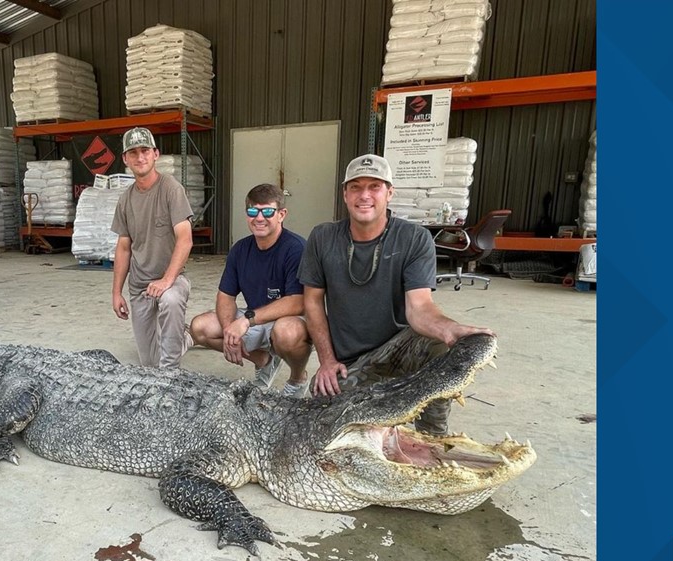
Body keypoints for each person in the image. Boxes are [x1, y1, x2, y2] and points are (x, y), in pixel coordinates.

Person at [298, 154, 493, 434]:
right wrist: (327, 361)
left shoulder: (414, 238)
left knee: (437, 346)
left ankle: (431, 437)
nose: (364, 195)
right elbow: (313, 302)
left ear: (389, 193)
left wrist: (449, 330)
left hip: (400, 349)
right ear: (344, 194)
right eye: (356, 187)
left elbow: (420, 307)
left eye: (374, 186)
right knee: (322, 409)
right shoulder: (323, 237)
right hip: (354, 361)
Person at [188, 184, 312, 396]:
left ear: (282, 214)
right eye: (253, 211)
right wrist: (230, 330)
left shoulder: (296, 248)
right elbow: (225, 295)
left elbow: (297, 301)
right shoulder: (240, 249)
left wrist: (246, 321)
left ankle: (298, 378)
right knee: (200, 327)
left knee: (287, 334)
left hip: (289, 320)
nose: (259, 218)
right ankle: (263, 360)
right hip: (254, 317)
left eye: (268, 212)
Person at [110, 127, 195, 368]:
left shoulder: (171, 190)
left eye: (145, 150)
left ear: (155, 154)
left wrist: (167, 280)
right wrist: (116, 293)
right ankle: (185, 338)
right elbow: (124, 248)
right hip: (140, 286)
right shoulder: (125, 200)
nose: (140, 157)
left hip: (172, 279)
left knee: (169, 300)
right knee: (149, 362)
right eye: (133, 152)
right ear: (125, 159)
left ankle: (171, 375)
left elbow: (185, 239)